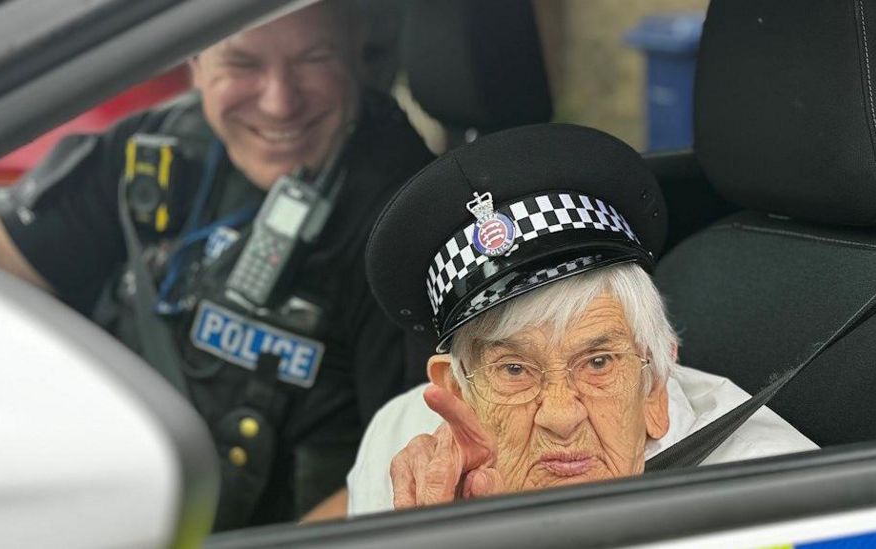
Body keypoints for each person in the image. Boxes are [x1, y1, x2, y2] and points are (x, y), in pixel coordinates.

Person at [0, 1, 434, 529]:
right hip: (94, 506)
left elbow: (411, 464)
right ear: (194, 60)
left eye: (313, 59)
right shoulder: (155, 149)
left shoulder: (406, 223)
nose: (280, 102)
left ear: (356, 52)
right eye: (242, 64)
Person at [350, 123, 817, 514]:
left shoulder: (768, 502)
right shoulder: (397, 443)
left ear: (654, 384)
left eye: (598, 362)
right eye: (514, 369)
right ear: (457, 393)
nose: (561, 416)